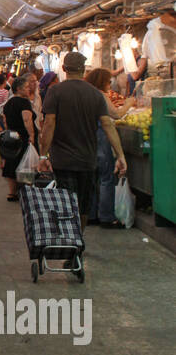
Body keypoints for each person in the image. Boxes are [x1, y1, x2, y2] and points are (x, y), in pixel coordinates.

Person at [37, 51, 127, 229]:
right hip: (87, 159)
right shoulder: (96, 94)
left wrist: (43, 155)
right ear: (84, 70)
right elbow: (108, 124)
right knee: (84, 205)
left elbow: (49, 123)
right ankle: (80, 240)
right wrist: (120, 155)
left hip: (62, 159)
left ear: (64, 69)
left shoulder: (55, 91)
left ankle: (71, 241)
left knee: (67, 202)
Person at [84, 68, 131, 228]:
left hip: (87, 139)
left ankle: (90, 215)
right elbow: (116, 115)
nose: (110, 84)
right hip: (100, 137)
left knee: (91, 178)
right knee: (106, 177)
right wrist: (130, 103)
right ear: (101, 81)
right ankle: (106, 217)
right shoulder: (100, 95)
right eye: (108, 81)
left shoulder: (85, 94)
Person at [2, 72, 38, 201]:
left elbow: (5, 120)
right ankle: (26, 190)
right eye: (27, 87)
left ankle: (12, 192)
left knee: (11, 163)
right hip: (23, 137)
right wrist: (32, 135)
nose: (29, 89)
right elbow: (27, 119)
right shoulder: (24, 102)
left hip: (11, 136)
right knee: (26, 163)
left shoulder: (8, 103)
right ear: (18, 89)